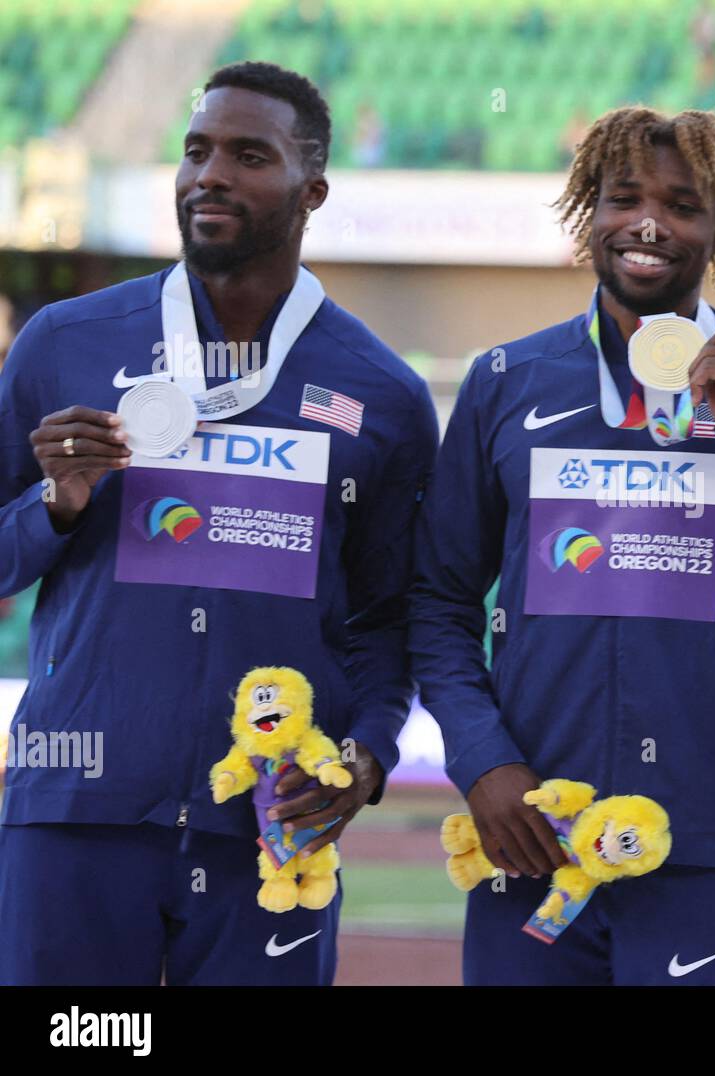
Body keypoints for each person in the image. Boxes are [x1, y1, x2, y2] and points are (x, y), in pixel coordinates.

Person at [0, 62, 438, 985]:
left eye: (248, 155)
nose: (210, 176)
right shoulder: (64, 343)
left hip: (270, 826)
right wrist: (57, 504)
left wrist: (363, 760)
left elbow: (389, 621)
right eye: (197, 151)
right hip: (78, 804)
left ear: (312, 189)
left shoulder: (383, 395)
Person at [410, 106, 715, 986]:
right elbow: (436, 601)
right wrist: (484, 763)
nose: (648, 223)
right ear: (589, 212)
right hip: (530, 834)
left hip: (701, 848)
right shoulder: (504, 383)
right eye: (623, 198)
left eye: (683, 205)